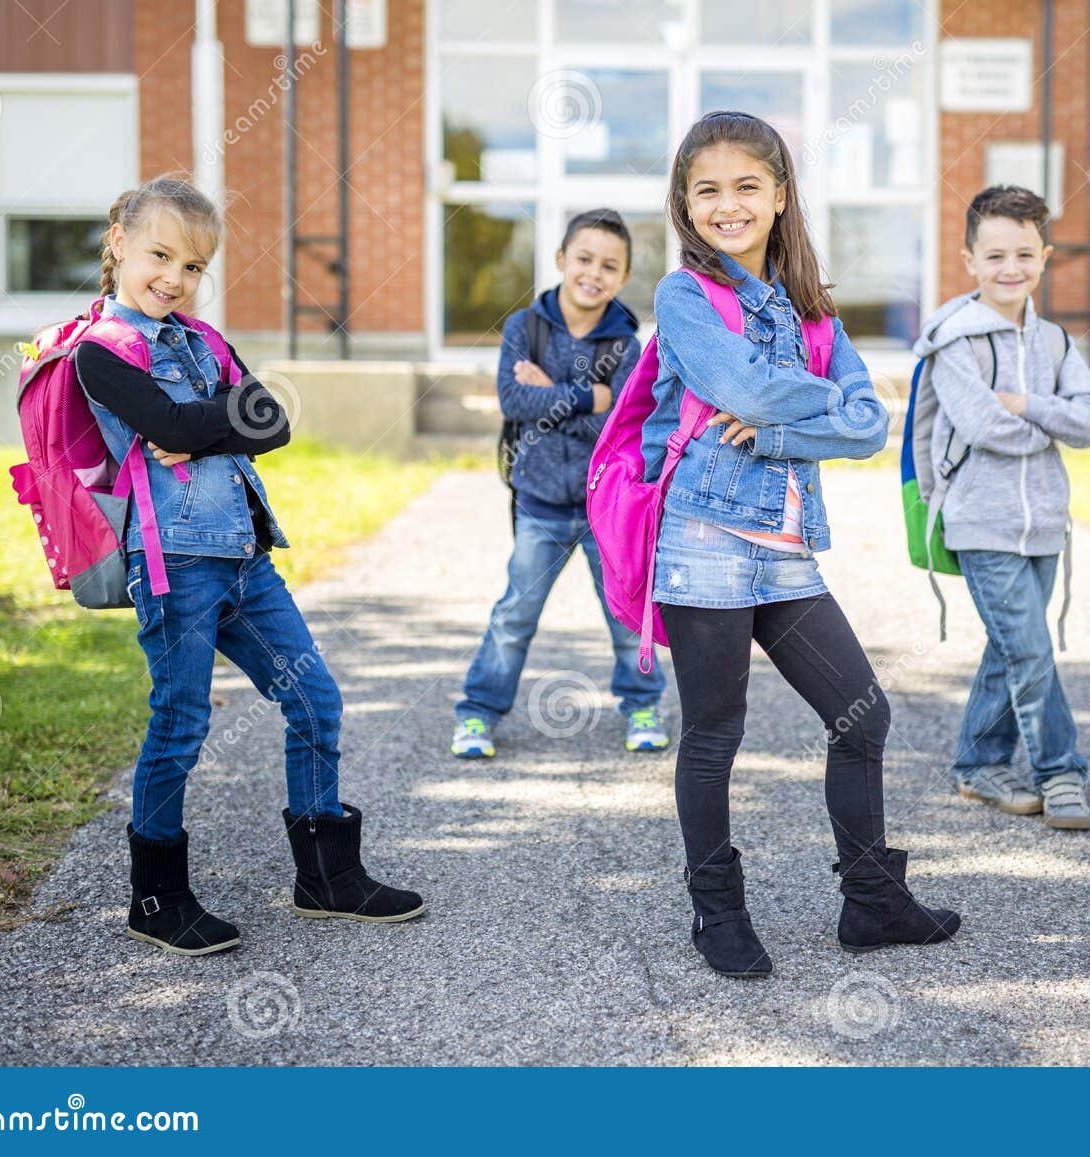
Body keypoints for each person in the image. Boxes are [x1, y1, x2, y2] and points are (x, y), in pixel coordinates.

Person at [646, 111, 960, 978]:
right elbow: (739, 382)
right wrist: (818, 400)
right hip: (703, 543)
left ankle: (871, 901)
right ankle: (717, 912)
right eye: (707, 189)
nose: (728, 204)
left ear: (781, 196)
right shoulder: (684, 297)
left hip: (784, 552)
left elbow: (868, 426)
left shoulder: (809, 310)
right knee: (715, 735)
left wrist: (782, 427)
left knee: (864, 716)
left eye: (748, 185)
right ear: (686, 204)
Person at [75, 176, 424, 955]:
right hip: (175, 567)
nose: (174, 277)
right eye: (160, 255)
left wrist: (203, 429)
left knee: (316, 699)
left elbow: (276, 422)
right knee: (181, 721)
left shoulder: (205, 341)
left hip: (245, 558)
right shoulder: (101, 351)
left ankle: (327, 878)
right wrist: (216, 421)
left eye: (194, 265)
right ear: (119, 244)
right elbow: (173, 419)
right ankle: (157, 898)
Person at [910, 185, 1090, 830]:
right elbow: (983, 426)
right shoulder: (953, 338)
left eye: (1024, 253)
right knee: (1029, 648)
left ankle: (977, 764)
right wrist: (1050, 421)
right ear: (969, 259)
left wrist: (1028, 405)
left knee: (1009, 646)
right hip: (979, 519)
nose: (1010, 268)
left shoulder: (1053, 341)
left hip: (1045, 521)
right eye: (995, 255)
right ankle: (1061, 774)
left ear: (1045, 257)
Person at [452, 210, 671, 759]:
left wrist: (552, 391)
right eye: (584, 259)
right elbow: (513, 400)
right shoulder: (524, 328)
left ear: (622, 279)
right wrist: (586, 397)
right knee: (514, 617)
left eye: (609, 266)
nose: (593, 273)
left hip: (608, 508)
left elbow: (622, 422)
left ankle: (642, 705)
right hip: (540, 503)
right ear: (560, 260)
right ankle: (477, 714)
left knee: (627, 613)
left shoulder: (628, 344)